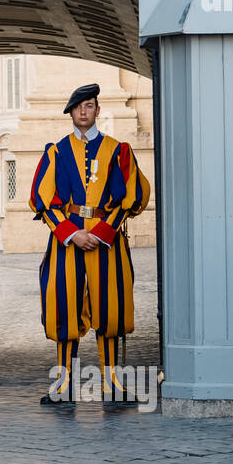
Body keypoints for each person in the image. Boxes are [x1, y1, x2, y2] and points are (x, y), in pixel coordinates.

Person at [28, 83, 149, 407]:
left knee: (110, 312)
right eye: (79, 106)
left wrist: (103, 232)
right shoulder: (55, 151)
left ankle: (112, 382)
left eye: (91, 105)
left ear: (97, 110)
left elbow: (130, 197)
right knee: (63, 310)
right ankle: (64, 383)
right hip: (66, 242)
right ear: (71, 111)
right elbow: (43, 198)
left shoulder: (118, 149)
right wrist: (71, 233)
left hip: (106, 242)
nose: (85, 111)